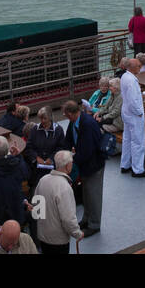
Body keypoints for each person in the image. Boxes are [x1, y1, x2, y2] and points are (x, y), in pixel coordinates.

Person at [62, 100, 104, 236]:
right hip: (84, 164)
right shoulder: (74, 121)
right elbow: (68, 140)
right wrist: (64, 154)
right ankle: (86, 219)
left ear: (71, 113)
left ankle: (94, 224)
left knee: (94, 194)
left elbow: (87, 151)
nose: (65, 117)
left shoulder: (88, 124)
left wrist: (71, 161)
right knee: (86, 193)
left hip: (93, 164)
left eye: (66, 115)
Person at [33, 150, 84, 254]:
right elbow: (68, 218)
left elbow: (36, 211)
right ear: (68, 166)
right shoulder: (65, 187)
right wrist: (77, 233)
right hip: (58, 241)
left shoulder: (43, 180)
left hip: (43, 237)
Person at [0, 135, 31, 225]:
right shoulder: (17, 165)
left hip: (0, 220)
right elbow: (27, 174)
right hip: (18, 215)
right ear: (7, 149)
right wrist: (19, 156)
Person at [119, 57, 145, 177]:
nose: (140, 67)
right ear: (132, 68)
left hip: (126, 113)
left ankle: (125, 164)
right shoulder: (132, 81)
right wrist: (139, 112)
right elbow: (133, 100)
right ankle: (137, 169)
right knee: (138, 141)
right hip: (134, 115)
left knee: (127, 139)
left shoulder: (124, 77)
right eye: (138, 66)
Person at [25, 107, 65, 185]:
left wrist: (51, 158)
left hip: (53, 169)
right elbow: (29, 147)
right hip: (37, 170)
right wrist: (36, 157)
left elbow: (61, 147)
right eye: (41, 118)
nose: (42, 121)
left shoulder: (58, 130)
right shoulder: (35, 129)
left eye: (44, 118)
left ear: (50, 118)